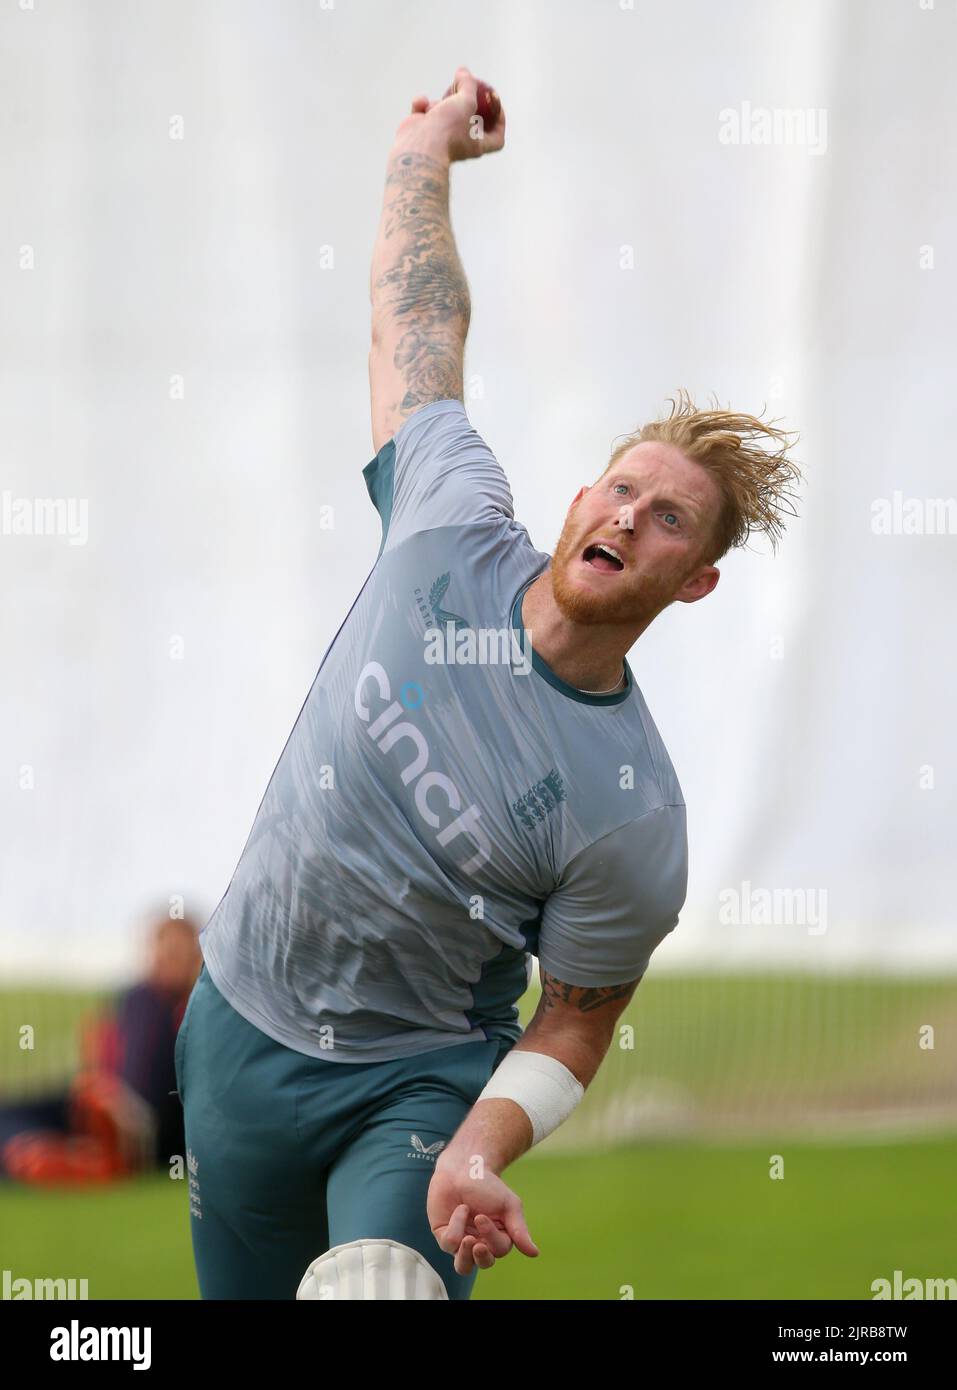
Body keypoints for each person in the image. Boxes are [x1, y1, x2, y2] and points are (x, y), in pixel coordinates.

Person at [178, 66, 801, 1300]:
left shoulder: (629, 812)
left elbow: (575, 1017)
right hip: (238, 1026)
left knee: (376, 1291)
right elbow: (415, 322)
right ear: (577, 501)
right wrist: (422, 154)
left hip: (413, 1082)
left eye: (670, 519)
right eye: (621, 486)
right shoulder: (446, 518)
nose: (630, 513)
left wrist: (482, 1140)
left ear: (695, 586)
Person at [1, 915, 201, 1186]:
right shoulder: (133, 998)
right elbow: (97, 1047)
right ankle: (33, 1150)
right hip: (103, 1099)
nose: (168, 960)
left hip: (151, 1122)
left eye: (178, 952)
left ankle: (94, 1144)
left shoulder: (198, 1008)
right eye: (163, 950)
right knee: (13, 1110)